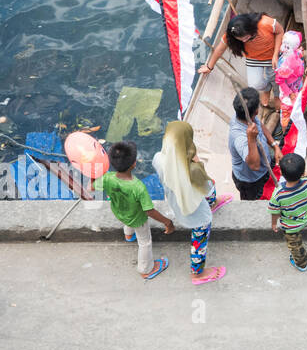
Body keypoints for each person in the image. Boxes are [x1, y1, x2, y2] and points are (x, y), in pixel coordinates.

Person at [153, 120, 232, 285]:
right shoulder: (192, 170)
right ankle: (197, 273)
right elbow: (207, 185)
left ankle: (212, 203)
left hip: (176, 202)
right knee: (200, 235)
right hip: (194, 210)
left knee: (207, 185)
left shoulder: (158, 158)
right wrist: (196, 161)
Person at [94, 141, 173, 280]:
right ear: (134, 164)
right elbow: (149, 211)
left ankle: (129, 235)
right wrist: (167, 222)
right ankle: (146, 269)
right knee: (145, 242)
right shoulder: (138, 187)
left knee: (127, 222)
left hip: (119, 212)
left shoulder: (107, 178)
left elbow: (92, 187)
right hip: (137, 219)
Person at [198, 12, 284, 112]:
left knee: (275, 77)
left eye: (248, 38)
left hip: (273, 54)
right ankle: (267, 88)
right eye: (241, 40)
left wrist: (275, 54)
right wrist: (209, 67)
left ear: (252, 28)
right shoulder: (231, 35)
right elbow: (220, 49)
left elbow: (280, 31)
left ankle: (277, 95)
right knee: (255, 84)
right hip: (254, 58)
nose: (244, 42)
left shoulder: (265, 23)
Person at [268, 153, 307, 271]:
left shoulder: (278, 194)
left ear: (281, 173)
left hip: (292, 225)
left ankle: (301, 264)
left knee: (295, 246)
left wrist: (274, 224)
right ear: (303, 173)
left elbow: (274, 211)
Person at [228, 87, 279, 200]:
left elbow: (261, 126)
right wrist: (251, 139)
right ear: (256, 110)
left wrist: (275, 146)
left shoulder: (248, 118)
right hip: (250, 181)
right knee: (252, 203)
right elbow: (254, 166)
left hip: (265, 166)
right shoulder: (239, 137)